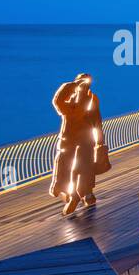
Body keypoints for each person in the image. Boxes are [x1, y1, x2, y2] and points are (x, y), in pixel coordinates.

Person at [49, 73, 109, 215]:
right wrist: (73, 85)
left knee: (80, 167)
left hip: (79, 141)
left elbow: (97, 121)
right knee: (72, 167)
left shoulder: (88, 101)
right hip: (76, 141)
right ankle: (79, 194)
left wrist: (100, 143)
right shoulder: (74, 103)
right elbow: (58, 101)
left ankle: (81, 193)